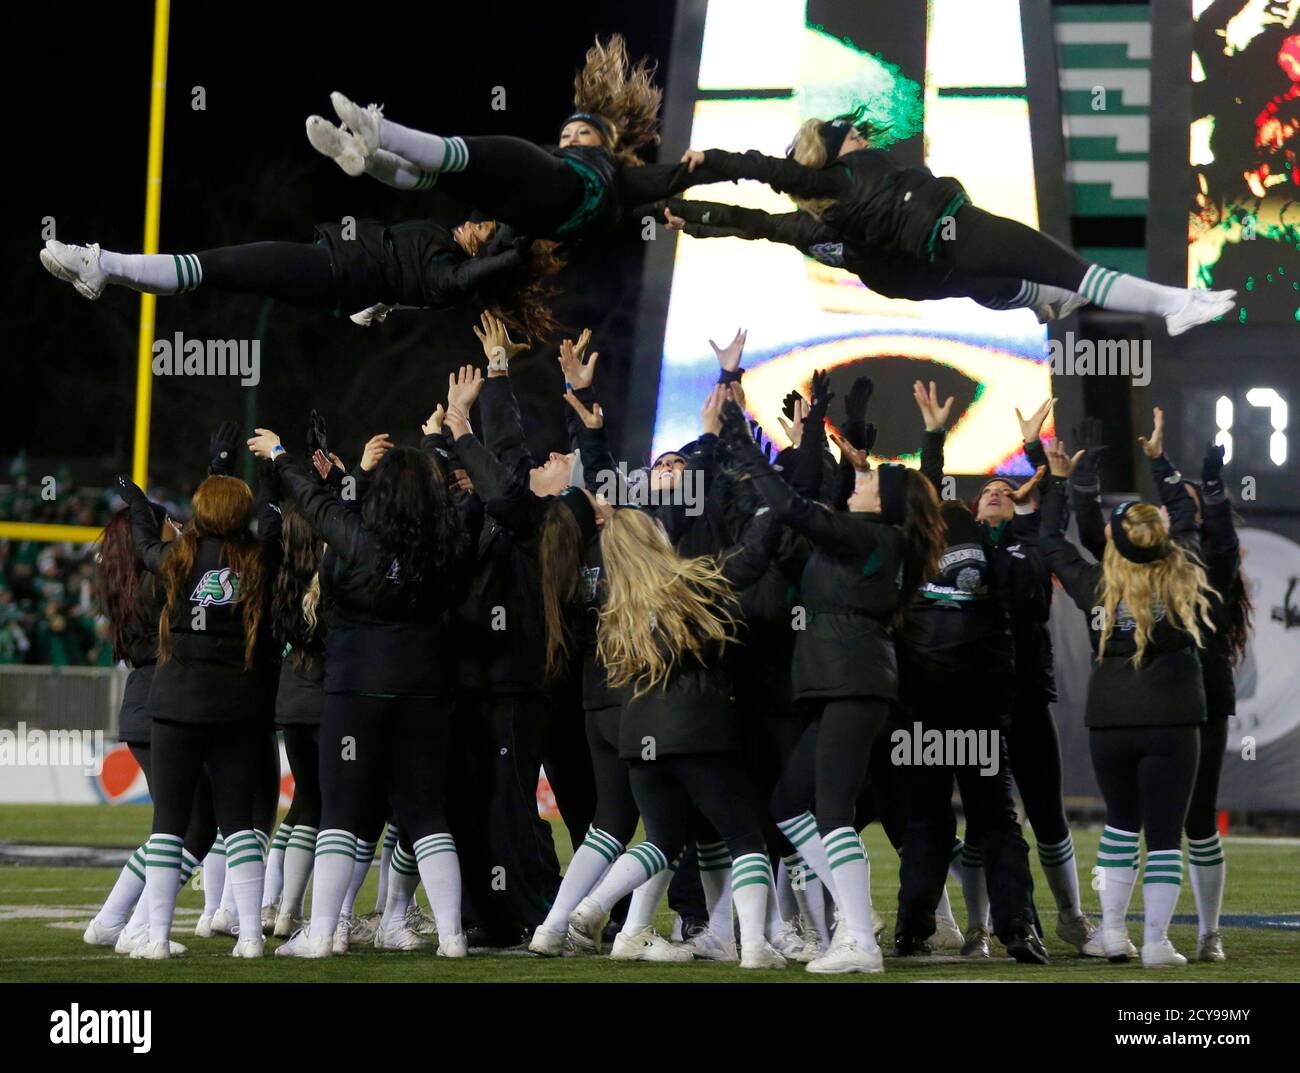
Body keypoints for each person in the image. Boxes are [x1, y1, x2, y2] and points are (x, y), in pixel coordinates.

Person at [677, 108, 1235, 335]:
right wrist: (711, 165)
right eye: (851, 133)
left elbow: (750, 222)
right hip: (950, 235)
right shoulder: (834, 182)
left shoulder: (813, 221)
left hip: (917, 276)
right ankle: (1172, 306)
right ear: (828, 150)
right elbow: (759, 175)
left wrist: (690, 217)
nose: (862, 137)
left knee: (992, 285)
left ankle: (1048, 301)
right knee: (1072, 271)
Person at [254, 419, 475, 959]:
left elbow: (312, 497)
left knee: (341, 814)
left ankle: (323, 935)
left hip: (356, 692)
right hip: (425, 692)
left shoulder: (354, 535)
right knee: (425, 814)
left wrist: (282, 456)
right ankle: (452, 937)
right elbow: (456, 500)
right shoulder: (449, 545)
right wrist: (437, 445)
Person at [1038, 410, 1217, 967]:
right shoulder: (1183, 570)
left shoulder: (1095, 583)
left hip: (1110, 720)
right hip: (1171, 720)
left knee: (1119, 825)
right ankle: (1157, 943)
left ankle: (1114, 934)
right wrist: (1161, 461)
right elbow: (1188, 514)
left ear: (1113, 542)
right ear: (1162, 540)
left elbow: (1048, 540)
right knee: (1164, 836)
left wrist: (1068, 480)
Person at [1070, 427, 1251, 963]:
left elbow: (1217, 539)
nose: (1171, 518)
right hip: (1169, 701)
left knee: (1194, 821)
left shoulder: (1198, 563)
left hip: (1202, 694)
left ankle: (1207, 932)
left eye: (1177, 512)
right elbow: (1093, 533)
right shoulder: (1150, 564)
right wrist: (1169, 472)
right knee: (1153, 826)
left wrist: (1204, 490)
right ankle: (1144, 935)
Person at [115, 461, 282, 960]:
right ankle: (251, 937)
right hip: (238, 705)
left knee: (168, 822)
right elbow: (273, 522)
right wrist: (275, 471)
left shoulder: (178, 557)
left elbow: (143, 548)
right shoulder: (260, 558)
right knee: (238, 821)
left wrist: (141, 506)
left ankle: (159, 938)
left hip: (178, 704)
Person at [310, 36, 703, 246]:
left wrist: (733, 177)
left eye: (582, 133)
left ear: (604, 143)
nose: (571, 139)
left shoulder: (619, 177)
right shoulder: (555, 164)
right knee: (443, 176)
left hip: (563, 202)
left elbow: (680, 183)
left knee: (488, 151)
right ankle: (365, 156)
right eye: (566, 134)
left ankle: (380, 130)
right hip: (528, 211)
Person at [40, 216, 562, 341]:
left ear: (483, 247)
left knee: (212, 265)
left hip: (332, 272)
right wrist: (378, 307)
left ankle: (102, 264)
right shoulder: (445, 257)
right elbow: (414, 296)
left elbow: (449, 286)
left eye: (483, 226)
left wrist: (513, 255)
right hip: (334, 268)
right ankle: (102, 267)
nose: (472, 219)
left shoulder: (456, 274)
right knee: (213, 269)